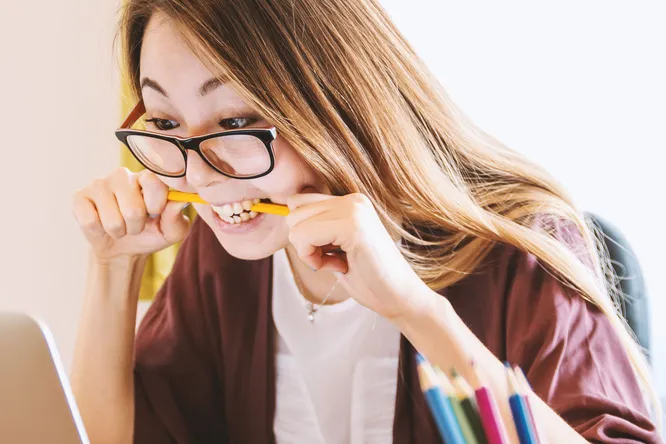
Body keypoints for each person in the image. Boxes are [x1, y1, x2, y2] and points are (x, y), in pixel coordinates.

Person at [70, 0, 661, 442]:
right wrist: (113, 267)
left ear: (335, 101)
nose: (199, 177)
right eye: (169, 124)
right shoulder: (226, 255)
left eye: (233, 123)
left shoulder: (520, 249)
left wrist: (415, 309)